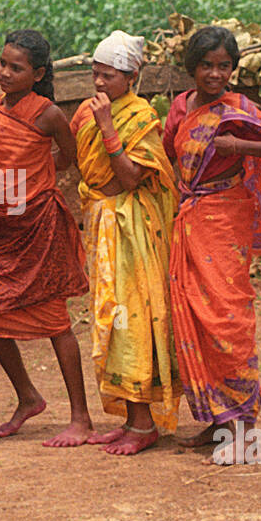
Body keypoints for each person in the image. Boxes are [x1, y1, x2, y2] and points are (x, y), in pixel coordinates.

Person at [164, 25, 261, 464]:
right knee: (194, 318)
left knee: (226, 316)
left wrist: (237, 143)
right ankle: (216, 419)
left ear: (234, 69)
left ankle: (242, 426)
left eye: (224, 66)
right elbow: (170, 154)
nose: (215, 74)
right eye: (206, 65)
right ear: (191, 68)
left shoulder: (237, 109)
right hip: (189, 216)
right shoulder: (180, 107)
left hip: (226, 216)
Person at [0, 30, 93, 447]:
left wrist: (38, 180)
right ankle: (28, 395)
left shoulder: (47, 113)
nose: (4, 73)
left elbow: (69, 155)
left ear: (38, 73)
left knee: (55, 322)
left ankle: (81, 417)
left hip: (38, 227)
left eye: (16, 67)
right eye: (2, 63)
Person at [71, 31, 178, 455]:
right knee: (110, 317)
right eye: (95, 74)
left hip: (133, 231)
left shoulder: (141, 116)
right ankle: (130, 417)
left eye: (109, 76)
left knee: (132, 317)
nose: (99, 83)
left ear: (131, 77)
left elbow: (131, 177)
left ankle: (144, 423)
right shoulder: (87, 112)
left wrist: (107, 127)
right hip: (102, 224)